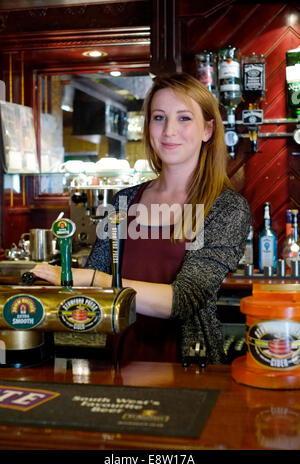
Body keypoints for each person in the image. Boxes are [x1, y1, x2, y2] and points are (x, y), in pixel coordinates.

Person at [32, 72, 251, 365]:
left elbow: (184, 299)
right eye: (159, 118)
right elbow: (94, 281)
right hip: (120, 360)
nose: (169, 131)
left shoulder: (226, 208)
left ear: (208, 129)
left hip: (189, 366)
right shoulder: (124, 200)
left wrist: (94, 279)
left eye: (184, 118)